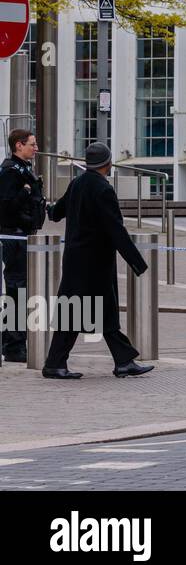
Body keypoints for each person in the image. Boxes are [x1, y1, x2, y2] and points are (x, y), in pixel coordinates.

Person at [41, 142, 153, 380]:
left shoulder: (77, 183)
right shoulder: (103, 189)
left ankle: (122, 360)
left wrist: (49, 209)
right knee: (92, 311)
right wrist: (137, 262)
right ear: (108, 164)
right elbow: (116, 230)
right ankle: (57, 364)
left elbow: (57, 212)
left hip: (74, 259)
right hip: (95, 263)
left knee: (85, 310)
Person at [0, 128, 45, 364]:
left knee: (22, 290)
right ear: (19, 145)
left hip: (23, 235)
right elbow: (6, 207)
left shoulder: (22, 169)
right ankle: (14, 346)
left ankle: (13, 340)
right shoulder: (10, 171)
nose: (36, 148)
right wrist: (26, 193)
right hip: (14, 237)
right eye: (32, 144)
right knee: (17, 291)